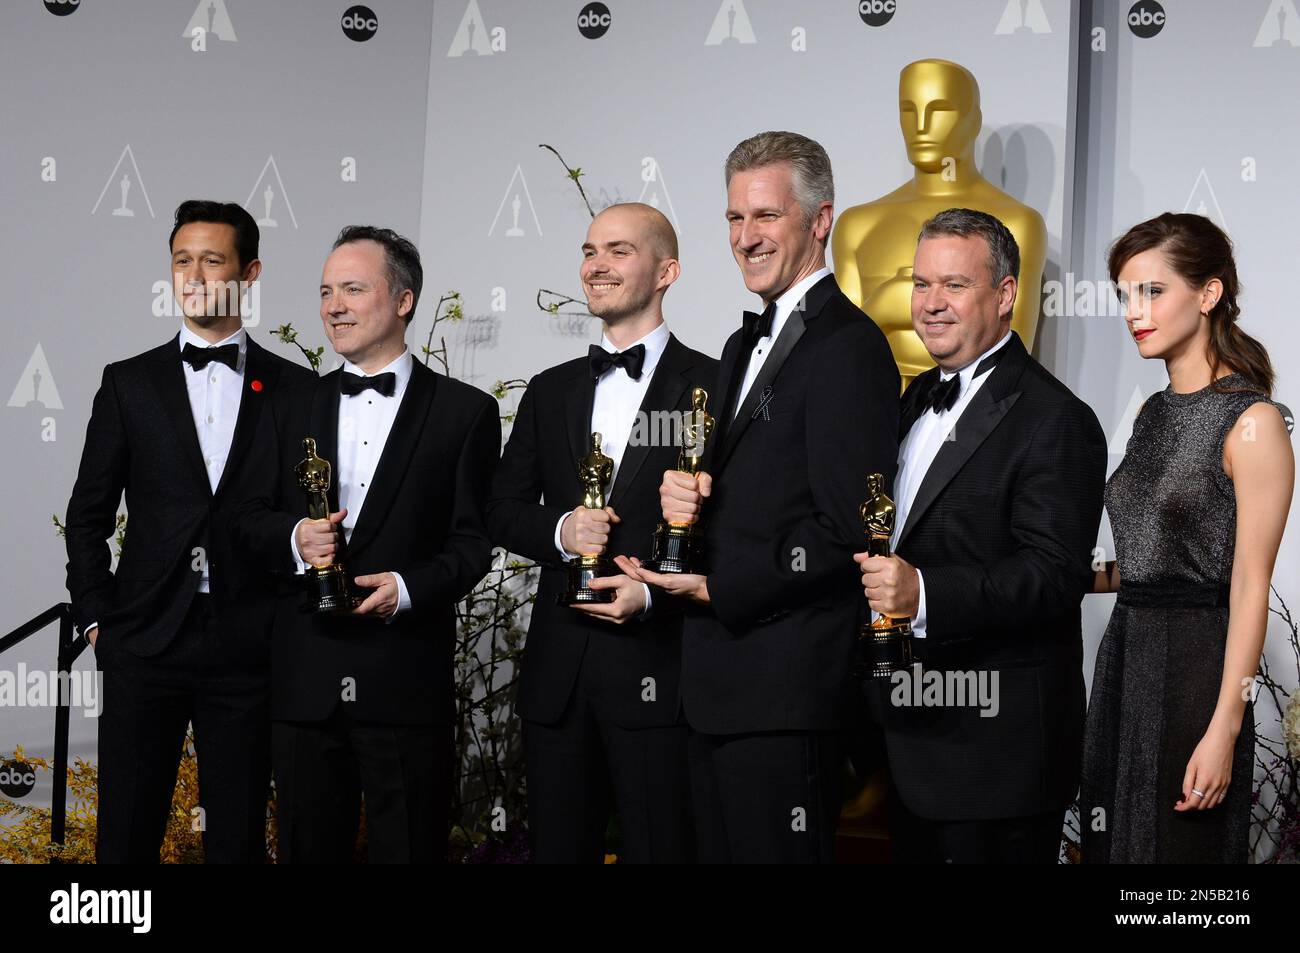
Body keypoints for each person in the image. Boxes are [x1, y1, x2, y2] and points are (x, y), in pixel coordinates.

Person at [624, 132, 899, 863]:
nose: (746, 238)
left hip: (784, 692)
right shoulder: (741, 346)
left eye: (766, 217)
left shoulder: (851, 347)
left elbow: (846, 529)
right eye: (734, 219)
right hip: (711, 685)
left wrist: (720, 585)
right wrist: (688, 498)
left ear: (820, 220)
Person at [233, 226, 499, 863]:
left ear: (404, 301)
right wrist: (296, 537)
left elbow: (473, 544)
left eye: (353, 288)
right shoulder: (285, 404)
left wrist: (406, 591)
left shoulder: (466, 412)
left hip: (404, 680)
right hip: (304, 678)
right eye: (326, 292)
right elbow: (245, 519)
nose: (334, 306)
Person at [64, 199, 315, 862]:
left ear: (249, 272)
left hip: (248, 647)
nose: (194, 274)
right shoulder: (128, 383)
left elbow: (308, 518)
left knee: (236, 839)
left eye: (212, 259)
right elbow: (89, 512)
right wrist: (98, 617)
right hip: (143, 641)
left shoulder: (296, 389)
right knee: (125, 834)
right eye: (182, 260)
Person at [857, 207, 1107, 864]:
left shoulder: (1056, 419)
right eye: (921, 283)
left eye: (954, 285)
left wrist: (925, 593)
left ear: (1004, 296)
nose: (930, 304)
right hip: (906, 738)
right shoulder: (908, 403)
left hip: (998, 758)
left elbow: (1055, 574)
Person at [488, 203, 716, 863]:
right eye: (590, 251)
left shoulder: (714, 386)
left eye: (618, 250)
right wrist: (561, 527)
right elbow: (499, 508)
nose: (596, 265)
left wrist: (653, 593)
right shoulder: (550, 389)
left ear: (666, 270)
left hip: (661, 671)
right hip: (557, 678)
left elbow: (731, 525)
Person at [1081, 212, 1293, 863]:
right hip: (1125, 658)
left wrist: (1224, 727)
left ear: (1208, 293)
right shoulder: (1149, 413)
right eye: (1124, 295)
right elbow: (1156, 554)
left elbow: (1248, 581)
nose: (1133, 312)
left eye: (1151, 291)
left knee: (1180, 862)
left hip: (1198, 669)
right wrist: (1071, 574)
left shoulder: (1253, 421)